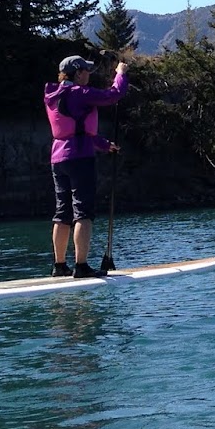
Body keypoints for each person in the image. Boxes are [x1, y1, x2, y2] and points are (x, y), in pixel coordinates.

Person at [45, 54, 129, 277]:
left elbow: (76, 128)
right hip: (80, 157)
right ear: (77, 73)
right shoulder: (79, 93)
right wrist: (120, 74)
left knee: (62, 212)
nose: (89, 75)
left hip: (58, 158)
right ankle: (81, 266)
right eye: (86, 71)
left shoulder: (53, 95)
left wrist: (103, 144)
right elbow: (114, 95)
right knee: (83, 211)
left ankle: (60, 265)